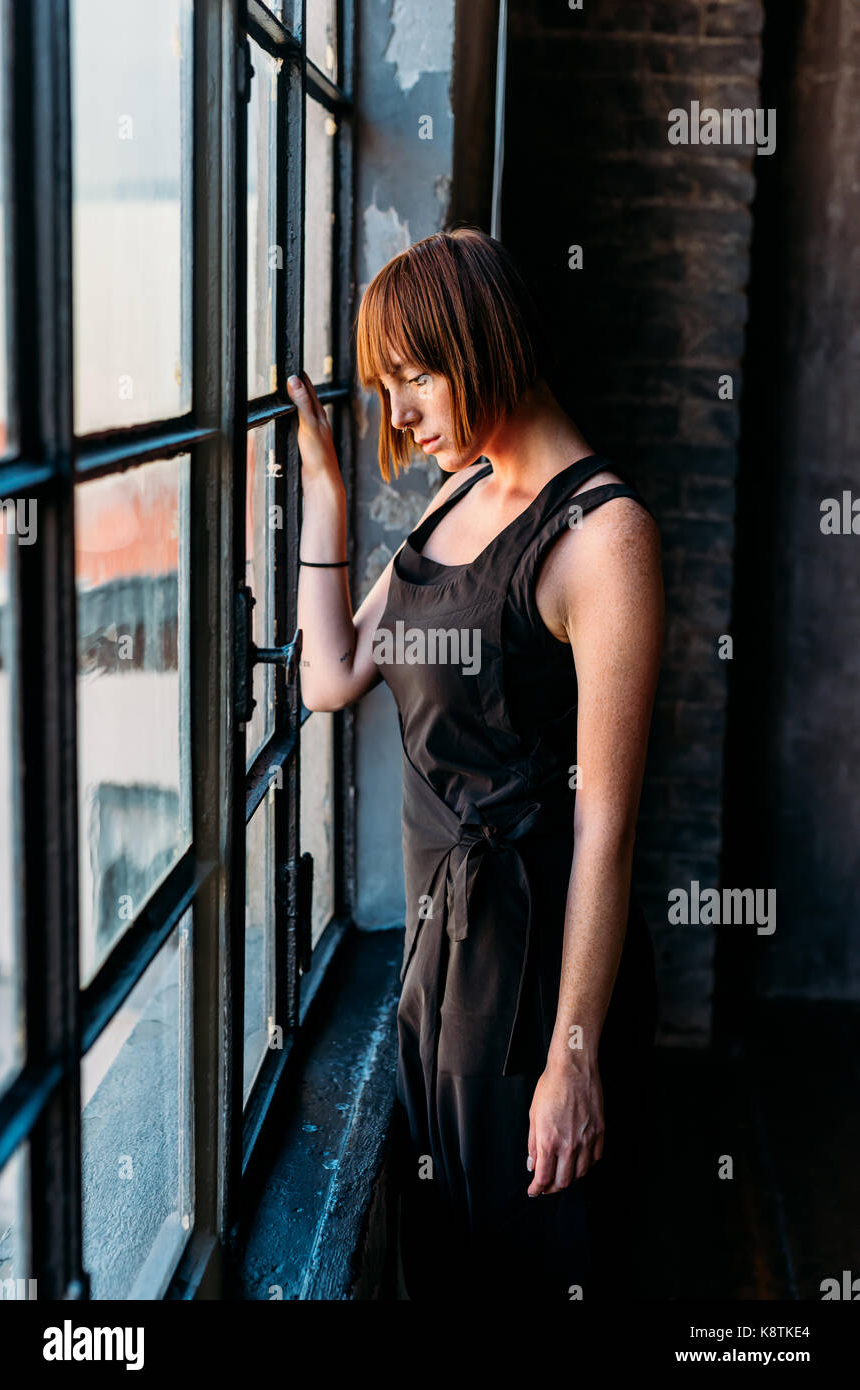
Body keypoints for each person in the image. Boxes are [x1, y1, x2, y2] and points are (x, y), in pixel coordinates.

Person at [287, 227, 663, 1301]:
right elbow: (333, 673)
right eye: (386, 386)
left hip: (539, 976)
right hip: (437, 965)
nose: (398, 415)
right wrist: (326, 494)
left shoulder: (604, 536)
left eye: (414, 378)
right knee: (455, 1264)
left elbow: (607, 823)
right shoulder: (461, 491)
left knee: (536, 1267)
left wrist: (574, 1055)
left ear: (486, 343)